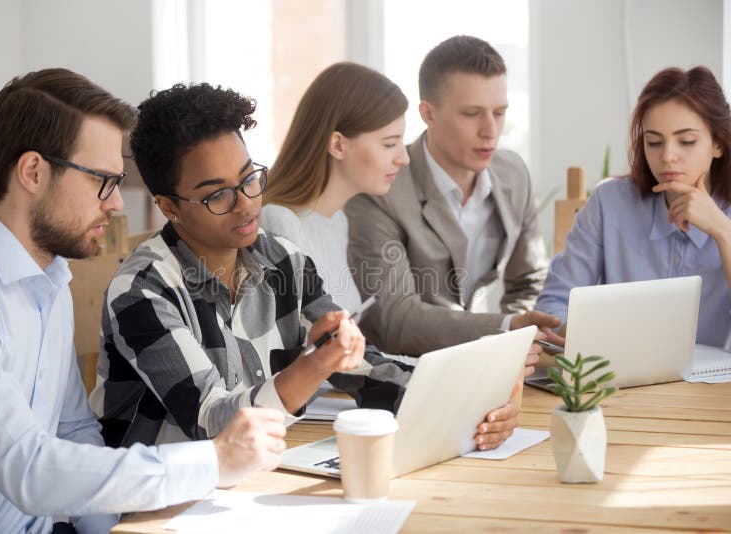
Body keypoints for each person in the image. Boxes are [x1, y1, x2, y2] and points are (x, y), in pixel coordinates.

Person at [0, 68, 286, 534]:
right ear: (33, 172)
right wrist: (213, 461)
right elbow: (30, 471)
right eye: (103, 180)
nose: (117, 204)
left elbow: (74, 430)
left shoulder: (49, 279)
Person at [89, 82, 520, 453]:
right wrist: (316, 365)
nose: (245, 203)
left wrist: (479, 397)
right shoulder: (143, 291)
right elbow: (213, 424)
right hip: (158, 502)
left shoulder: (282, 258)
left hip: (258, 478)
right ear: (168, 207)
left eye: (249, 178)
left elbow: (363, 367)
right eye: (217, 195)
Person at [345, 35, 562, 357]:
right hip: (400, 376)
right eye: (472, 113)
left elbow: (528, 280)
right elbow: (395, 320)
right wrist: (504, 329)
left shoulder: (513, 173)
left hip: (488, 364)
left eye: (499, 112)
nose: (491, 130)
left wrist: (519, 338)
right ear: (428, 114)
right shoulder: (380, 189)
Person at [535, 66, 731, 351]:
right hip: (621, 383)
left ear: (717, 144)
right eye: (654, 142)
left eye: (686, 141)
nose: (667, 156)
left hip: (713, 391)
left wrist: (722, 230)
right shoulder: (609, 203)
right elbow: (553, 304)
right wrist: (593, 341)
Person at [261, 61, 409, 312]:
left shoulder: (338, 221)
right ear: (338, 145)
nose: (404, 158)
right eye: (389, 144)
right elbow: (295, 347)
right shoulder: (281, 223)